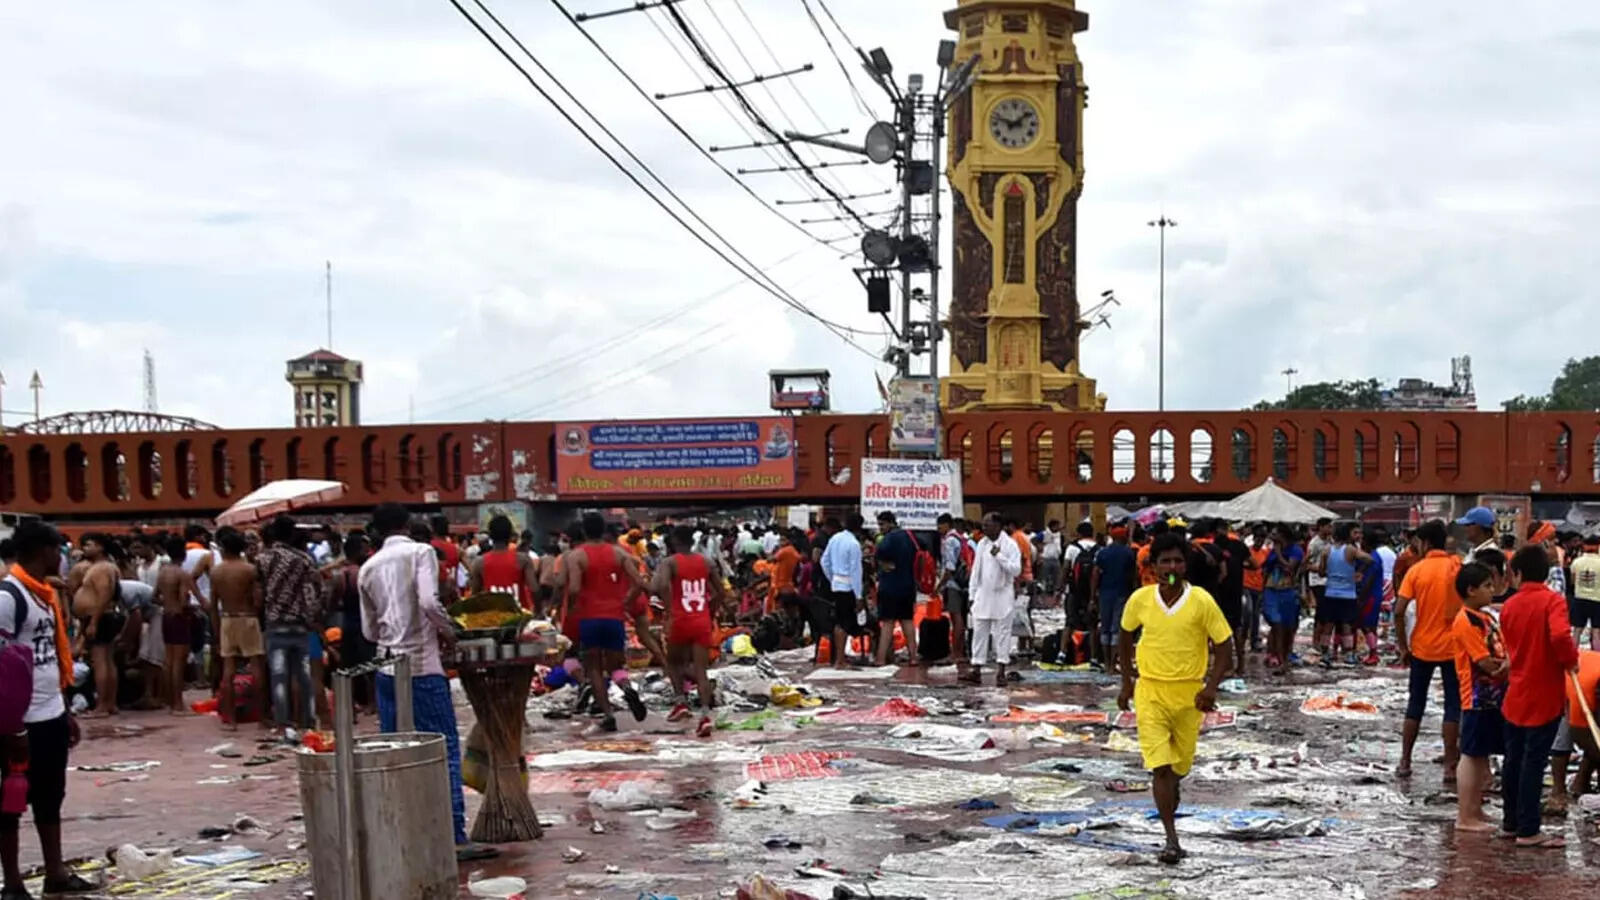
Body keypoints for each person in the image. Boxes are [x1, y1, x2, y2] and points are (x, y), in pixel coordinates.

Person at [359, 503, 485, 859]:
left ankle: (407, 831)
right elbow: (430, 602)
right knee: (443, 749)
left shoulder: (368, 567)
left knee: (398, 752)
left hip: (386, 669)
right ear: (407, 525)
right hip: (422, 667)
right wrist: (450, 634)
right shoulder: (420, 553)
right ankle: (453, 834)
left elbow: (370, 630)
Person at [1116, 532, 1234, 866]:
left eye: (1177, 561)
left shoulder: (1201, 601)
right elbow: (1124, 637)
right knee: (1161, 767)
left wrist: (1211, 688)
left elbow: (1225, 647)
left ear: (1186, 565)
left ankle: (1171, 793)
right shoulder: (1140, 599)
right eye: (1164, 561)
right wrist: (1127, 683)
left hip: (1189, 696)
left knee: (1180, 766)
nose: (1171, 566)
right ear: (1152, 566)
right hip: (1150, 691)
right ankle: (1171, 840)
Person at [0, 521, 97, 897]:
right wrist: (13, 730)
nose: (62, 557)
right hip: (18, 723)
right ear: (41, 552)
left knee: (50, 795)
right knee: (10, 803)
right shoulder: (10, 596)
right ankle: (13, 883)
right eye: (57, 550)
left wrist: (64, 707)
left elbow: (50, 658)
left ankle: (55, 872)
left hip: (50, 712)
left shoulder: (44, 594)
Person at [1497, 545, 1580, 848]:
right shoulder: (1552, 601)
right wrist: (1570, 660)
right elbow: (1560, 636)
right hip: (1544, 694)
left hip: (1515, 693)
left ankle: (1511, 822)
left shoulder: (1509, 606)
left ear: (1517, 573)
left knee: (1514, 760)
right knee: (1534, 762)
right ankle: (1529, 829)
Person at [565, 513, 650, 733]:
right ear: (604, 530)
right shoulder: (619, 553)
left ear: (583, 531)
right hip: (614, 617)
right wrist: (624, 602)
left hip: (589, 617)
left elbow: (573, 588)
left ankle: (608, 715)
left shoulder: (577, 556)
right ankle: (627, 688)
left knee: (593, 668)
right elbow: (639, 582)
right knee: (616, 665)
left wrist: (574, 606)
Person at [1393, 519, 1462, 781]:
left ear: (1425, 543)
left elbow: (1399, 611)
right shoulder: (1457, 567)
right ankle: (1450, 766)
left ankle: (1405, 760)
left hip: (1421, 647)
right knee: (1453, 706)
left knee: (1416, 703)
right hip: (1453, 647)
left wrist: (1403, 647)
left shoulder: (1417, 571)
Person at [1449, 562, 1507, 832]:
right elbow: (1482, 661)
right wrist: (1506, 669)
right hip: (1476, 694)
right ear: (1470, 590)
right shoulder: (1465, 621)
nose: (1491, 590)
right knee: (1471, 754)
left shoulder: (1485, 617)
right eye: (1486, 586)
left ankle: (1476, 809)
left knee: (1481, 752)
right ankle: (1465, 815)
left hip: (1492, 695)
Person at [653, 526, 724, 738]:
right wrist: (709, 611)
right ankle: (704, 716)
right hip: (701, 619)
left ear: (674, 541)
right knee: (701, 670)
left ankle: (681, 702)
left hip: (680, 618)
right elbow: (720, 592)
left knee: (674, 663)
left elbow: (662, 586)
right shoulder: (706, 562)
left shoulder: (670, 562)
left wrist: (669, 609)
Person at [257, 516, 322, 733]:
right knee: (304, 676)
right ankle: (308, 721)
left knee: (279, 677)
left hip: (275, 623)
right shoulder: (303, 559)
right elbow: (312, 592)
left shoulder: (262, 559)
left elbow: (258, 593)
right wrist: (311, 619)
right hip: (300, 624)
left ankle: (283, 724)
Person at [210, 530, 266, 732]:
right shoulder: (249, 570)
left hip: (227, 619)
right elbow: (258, 600)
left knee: (228, 672)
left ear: (224, 549)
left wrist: (216, 630)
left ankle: (231, 720)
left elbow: (213, 604)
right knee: (256, 667)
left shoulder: (216, 572)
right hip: (248, 618)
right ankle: (261, 719)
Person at [69, 534, 124, 718]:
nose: (85, 548)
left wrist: (94, 621)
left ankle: (102, 705)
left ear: (100, 547)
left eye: (88, 545)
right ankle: (110, 703)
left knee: (100, 662)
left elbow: (104, 594)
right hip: (102, 616)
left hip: (99, 617)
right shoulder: (105, 566)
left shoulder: (101, 568)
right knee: (108, 661)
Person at [964, 513, 1021, 686]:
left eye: (987, 525)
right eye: (984, 524)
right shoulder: (982, 543)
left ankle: (1001, 671)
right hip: (983, 594)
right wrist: (972, 595)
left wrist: (999, 556)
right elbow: (976, 571)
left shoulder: (1010, 545)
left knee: (1002, 634)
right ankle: (976, 669)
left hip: (1002, 595)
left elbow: (1016, 570)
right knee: (979, 632)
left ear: (998, 526)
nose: (984, 528)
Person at [155, 536, 205, 715]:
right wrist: (193, 609)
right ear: (183, 554)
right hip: (179, 618)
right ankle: (178, 704)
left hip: (166, 617)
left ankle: (170, 702)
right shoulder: (182, 574)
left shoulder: (163, 572)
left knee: (168, 660)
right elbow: (185, 601)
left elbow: (155, 596)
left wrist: (168, 604)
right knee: (179, 662)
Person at [1548, 648, 1600, 812]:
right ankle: (1558, 790)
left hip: (1586, 679)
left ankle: (1580, 782)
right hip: (1568, 684)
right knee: (1570, 736)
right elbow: (1584, 734)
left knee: (1594, 744)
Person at [1320, 522, 1373, 666]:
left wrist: (1332, 573)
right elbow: (1369, 559)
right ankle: (1349, 655)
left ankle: (1324, 654)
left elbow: (1321, 571)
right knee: (1346, 624)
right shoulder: (1350, 550)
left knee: (1328, 624)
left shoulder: (1326, 550)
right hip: (1348, 594)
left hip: (1330, 592)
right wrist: (1359, 572)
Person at [872, 512, 918, 666]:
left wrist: (882, 563)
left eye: (882, 525)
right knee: (907, 622)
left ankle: (880, 658)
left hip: (890, 587)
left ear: (890, 523)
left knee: (888, 623)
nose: (881, 528)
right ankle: (913, 657)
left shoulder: (888, 539)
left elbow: (878, 554)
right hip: (908, 586)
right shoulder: (909, 537)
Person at [1090, 527, 1138, 674]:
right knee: (1116, 629)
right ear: (1123, 537)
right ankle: (1113, 663)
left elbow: (1095, 575)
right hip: (1122, 593)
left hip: (1105, 594)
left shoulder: (1103, 553)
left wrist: (1092, 597)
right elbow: (1133, 576)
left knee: (1105, 628)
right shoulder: (1128, 553)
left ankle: (1106, 664)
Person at [1209, 523, 1254, 674]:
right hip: (1236, 591)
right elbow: (1254, 564)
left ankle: (1226, 666)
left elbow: (1218, 571)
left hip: (1219, 594)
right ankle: (1240, 665)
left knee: (1219, 632)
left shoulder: (1213, 548)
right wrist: (1241, 566)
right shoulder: (1239, 545)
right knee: (1237, 629)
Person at [469, 515, 540, 613]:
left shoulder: (479, 562)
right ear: (510, 535)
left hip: (491, 618)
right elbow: (534, 589)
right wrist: (539, 612)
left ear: (490, 536)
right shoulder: (523, 559)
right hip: (519, 616)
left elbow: (474, 596)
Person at [821, 514, 865, 668]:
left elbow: (824, 561)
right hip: (848, 586)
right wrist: (859, 595)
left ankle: (839, 658)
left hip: (837, 584)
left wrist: (832, 577)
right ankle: (840, 660)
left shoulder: (835, 538)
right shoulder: (854, 544)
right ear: (859, 528)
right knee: (844, 623)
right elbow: (855, 571)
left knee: (839, 621)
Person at [1262, 525, 1304, 674]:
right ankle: (1279, 657)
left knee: (1288, 626)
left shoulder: (1295, 551)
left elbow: (1289, 568)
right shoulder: (1272, 551)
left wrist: (1279, 554)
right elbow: (1265, 570)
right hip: (1271, 590)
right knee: (1276, 624)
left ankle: (1284, 657)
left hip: (1287, 590)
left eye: (1275, 533)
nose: (1272, 535)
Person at [936, 515, 971, 668]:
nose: (938, 529)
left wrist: (939, 586)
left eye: (940, 525)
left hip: (953, 584)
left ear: (947, 525)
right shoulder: (963, 539)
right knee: (961, 618)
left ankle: (955, 653)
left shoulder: (949, 541)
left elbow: (949, 567)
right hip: (964, 583)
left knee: (956, 619)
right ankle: (961, 652)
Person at [1569, 535, 1600, 650]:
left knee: (1577, 630)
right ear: (1598, 547)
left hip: (1580, 598)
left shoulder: (1577, 562)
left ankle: (1572, 657)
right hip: (1597, 599)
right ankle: (1598, 661)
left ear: (1584, 546)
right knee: (1597, 632)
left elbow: (1572, 581)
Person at [1037, 520, 1063, 594]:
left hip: (1056, 559)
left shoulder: (1058, 535)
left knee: (1057, 578)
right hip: (1046, 558)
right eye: (1057, 526)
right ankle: (1043, 594)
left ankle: (1055, 594)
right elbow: (1034, 540)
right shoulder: (1045, 533)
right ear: (1052, 526)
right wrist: (1040, 548)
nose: (1058, 527)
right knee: (1044, 578)